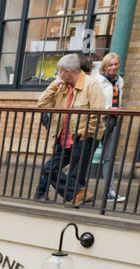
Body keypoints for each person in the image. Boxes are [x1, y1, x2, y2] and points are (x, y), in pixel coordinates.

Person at [34, 53, 105, 206]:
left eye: (60, 71)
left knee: (76, 174)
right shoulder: (61, 87)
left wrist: (86, 133)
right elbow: (42, 103)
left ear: (69, 71)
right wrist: (53, 85)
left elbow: (98, 111)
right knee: (50, 168)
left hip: (82, 136)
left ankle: (75, 200)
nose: (58, 75)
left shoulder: (90, 84)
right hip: (63, 137)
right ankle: (80, 193)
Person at [95, 52, 126, 203]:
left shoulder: (119, 81)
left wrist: (118, 111)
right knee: (84, 154)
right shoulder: (98, 81)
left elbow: (118, 99)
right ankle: (75, 188)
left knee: (109, 157)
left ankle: (110, 191)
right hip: (98, 121)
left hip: (113, 122)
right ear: (105, 66)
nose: (113, 67)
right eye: (110, 65)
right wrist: (108, 108)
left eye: (115, 64)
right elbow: (94, 102)